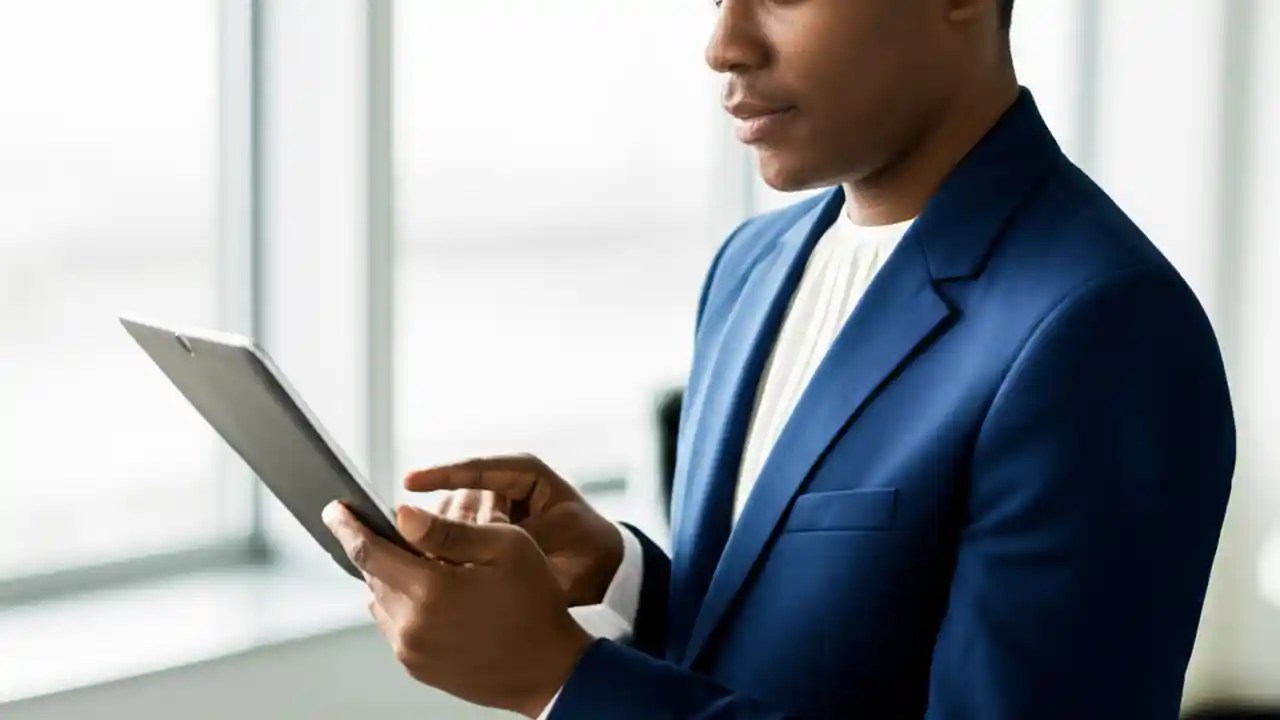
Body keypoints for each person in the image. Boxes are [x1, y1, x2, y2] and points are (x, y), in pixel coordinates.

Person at [322, 0, 1236, 717]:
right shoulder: (750, 268)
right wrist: (623, 583)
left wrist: (559, 681)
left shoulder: (1101, 328)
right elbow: (803, 662)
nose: (723, 44)